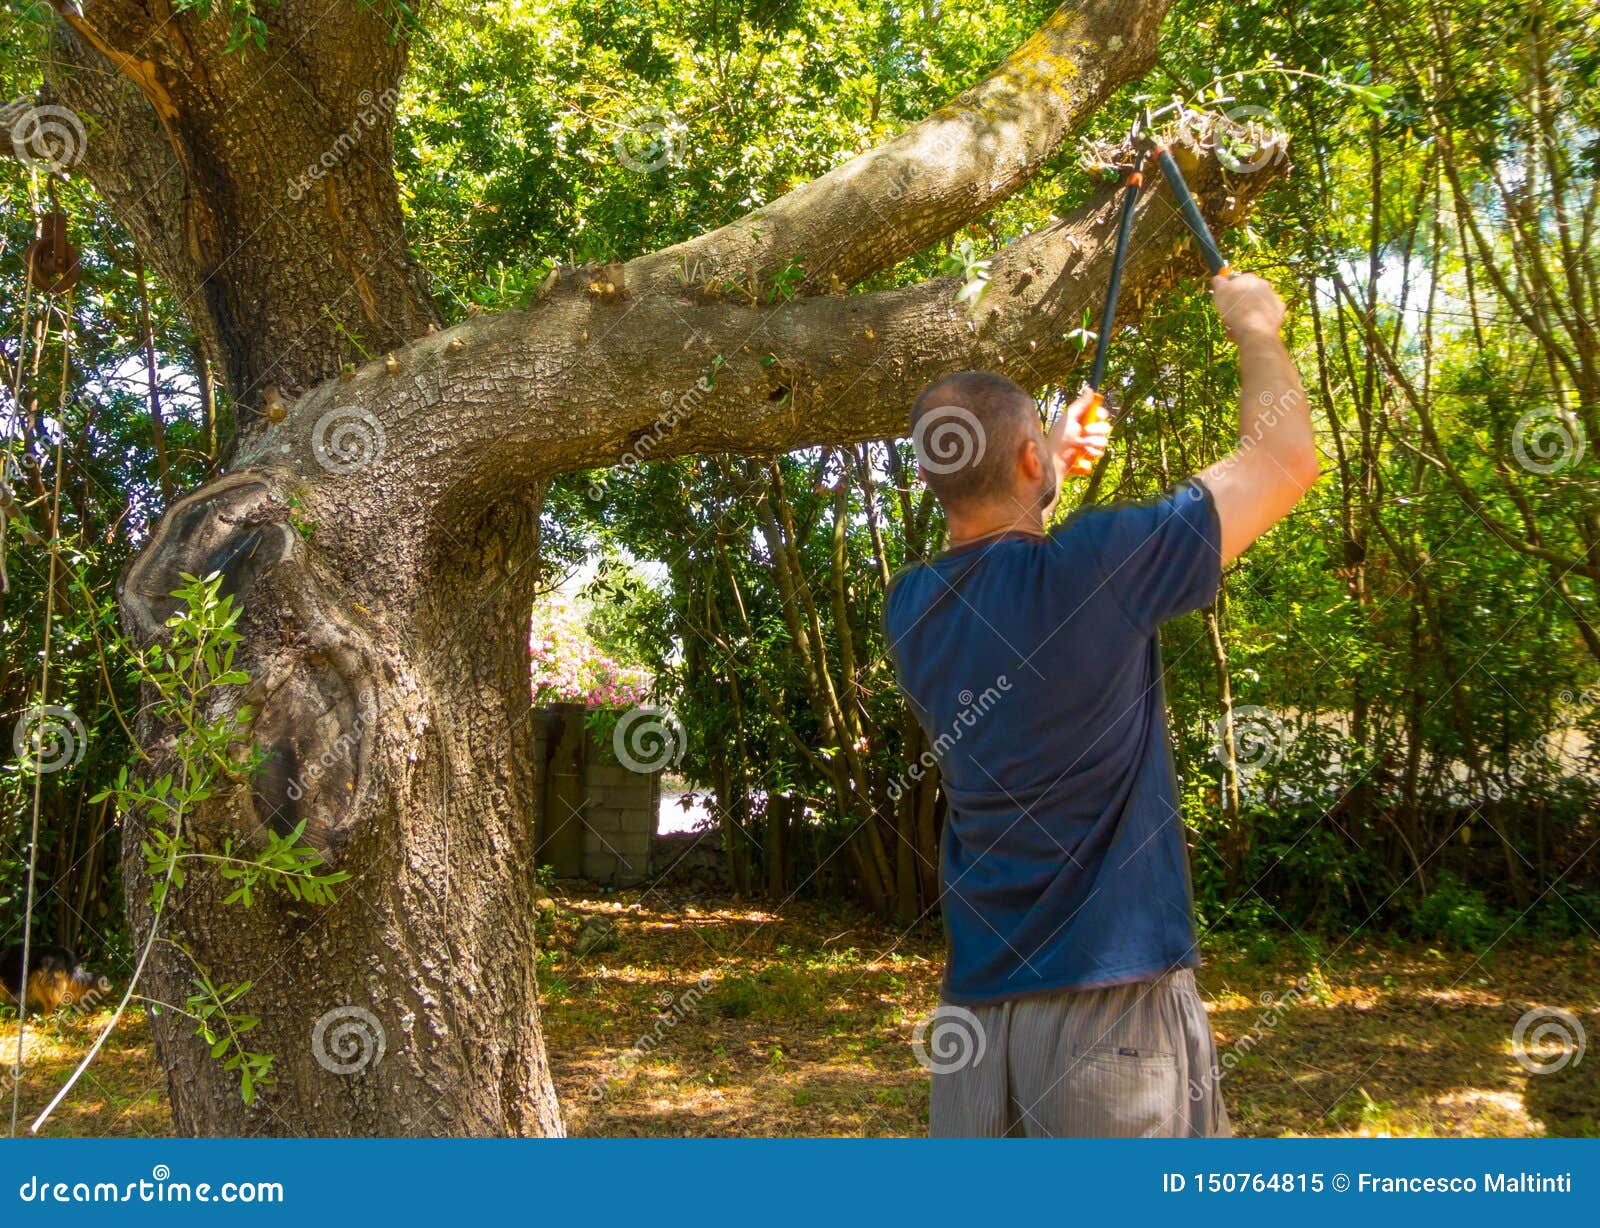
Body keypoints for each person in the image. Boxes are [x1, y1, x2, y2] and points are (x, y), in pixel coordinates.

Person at [885, 273, 1318, 1137]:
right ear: (1026, 464)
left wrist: (1036, 458)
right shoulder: (1097, 566)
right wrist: (1257, 330)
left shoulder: (912, 609)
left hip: (974, 1024)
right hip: (1107, 1018)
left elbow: (992, 551)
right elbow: (1284, 461)